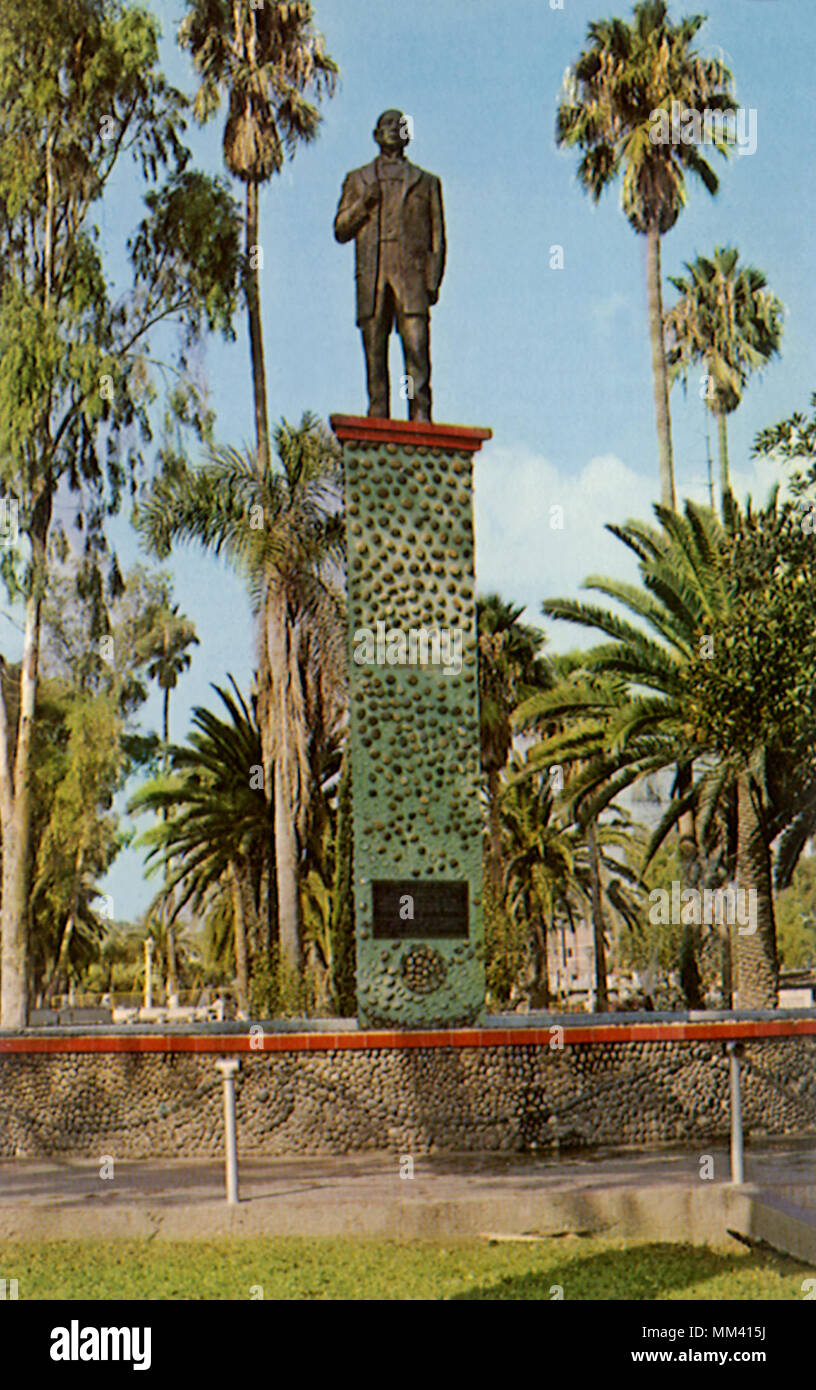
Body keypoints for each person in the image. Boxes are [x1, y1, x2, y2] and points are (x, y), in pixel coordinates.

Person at [334, 109, 446, 421]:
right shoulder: (358, 180)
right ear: (375, 134)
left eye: (399, 126)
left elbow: (438, 236)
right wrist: (364, 203)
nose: (394, 131)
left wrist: (432, 280)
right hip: (373, 277)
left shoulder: (426, 182)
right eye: (387, 125)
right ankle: (378, 415)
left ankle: (419, 414)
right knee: (375, 353)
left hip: (411, 279)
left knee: (416, 351)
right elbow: (341, 229)